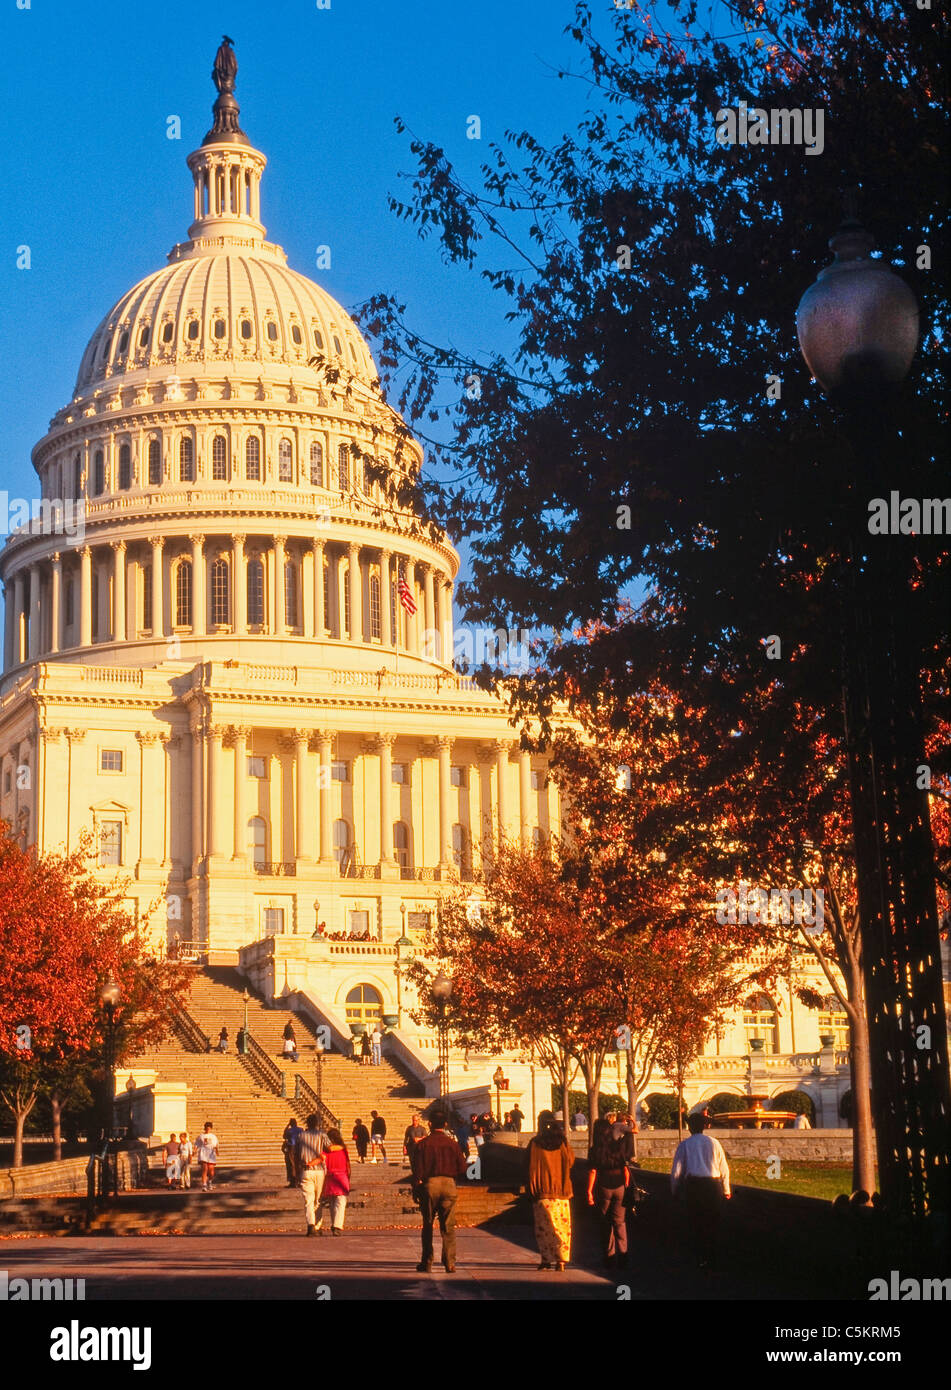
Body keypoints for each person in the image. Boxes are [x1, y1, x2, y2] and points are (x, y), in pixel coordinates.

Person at [670, 1112, 732, 1270]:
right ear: (704, 1126)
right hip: (713, 1186)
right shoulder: (714, 1143)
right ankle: (712, 1258)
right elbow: (723, 1167)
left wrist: (674, 1189)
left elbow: (677, 1171)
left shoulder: (685, 1145)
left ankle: (700, 1258)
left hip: (694, 1186)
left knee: (696, 1222)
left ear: (689, 1127)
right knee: (712, 1222)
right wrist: (726, 1189)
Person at [410, 1108, 468, 1272]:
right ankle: (450, 1262)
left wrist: (416, 1189)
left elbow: (417, 1170)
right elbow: (463, 1167)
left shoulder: (423, 1144)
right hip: (449, 1184)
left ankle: (427, 1262)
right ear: (445, 1125)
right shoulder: (453, 1144)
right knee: (448, 1226)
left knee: (428, 1225)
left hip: (430, 1185)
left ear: (429, 1124)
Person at [527, 1111, 573, 1271]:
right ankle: (561, 1260)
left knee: (543, 1228)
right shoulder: (562, 1142)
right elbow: (571, 1161)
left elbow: (527, 1165)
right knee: (562, 1227)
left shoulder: (534, 1143)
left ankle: (546, 1259)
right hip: (561, 1190)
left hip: (542, 1191)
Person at [587, 1117, 630, 1269]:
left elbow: (593, 1171)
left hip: (604, 1187)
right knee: (620, 1222)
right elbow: (626, 1169)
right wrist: (626, 1185)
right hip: (620, 1186)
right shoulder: (618, 1146)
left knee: (605, 1223)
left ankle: (610, 1256)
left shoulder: (595, 1150)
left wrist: (589, 1192)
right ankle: (623, 1255)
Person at [296, 1113, 328, 1236]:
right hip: (319, 1170)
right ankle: (318, 1226)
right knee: (318, 1199)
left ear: (307, 1123)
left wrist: (297, 1171)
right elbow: (329, 1148)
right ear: (317, 1123)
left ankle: (311, 1224)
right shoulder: (322, 1135)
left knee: (308, 1200)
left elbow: (297, 1154)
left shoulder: (301, 1136)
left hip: (305, 1170)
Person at [318, 1128, 351, 1235]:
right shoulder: (343, 1149)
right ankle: (337, 1225)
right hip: (342, 1176)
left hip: (330, 1177)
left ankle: (334, 1224)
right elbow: (348, 1165)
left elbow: (322, 1162)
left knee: (332, 1203)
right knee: (340, 1202)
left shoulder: (325, 1151)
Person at [196, 1121, 220, 1191]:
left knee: (211, 1171)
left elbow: (216, 1145)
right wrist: (194, 1151)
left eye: (209, 1128)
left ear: (211, 1128)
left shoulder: (213, 1136)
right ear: (205, 1128)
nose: (208, 1129)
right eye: (207, 1128)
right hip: (203, 1154)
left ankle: (210, 1182)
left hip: (211, 1154)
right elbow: (197, 1144)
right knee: (204, 1170)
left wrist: (217, 1151)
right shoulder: (201, 1136)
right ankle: (204, 1185)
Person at [282, 1116, 301, 1187]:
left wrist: (287, 1125)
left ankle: (293, 1182)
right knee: (298, 1165)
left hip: (292, 1148)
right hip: (299, 1148)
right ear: (296, 1123)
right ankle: (298, 1181)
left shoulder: (289, 1130)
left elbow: (284, 1136)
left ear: (291, 1124)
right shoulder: (301, 1129)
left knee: (291, 1165)